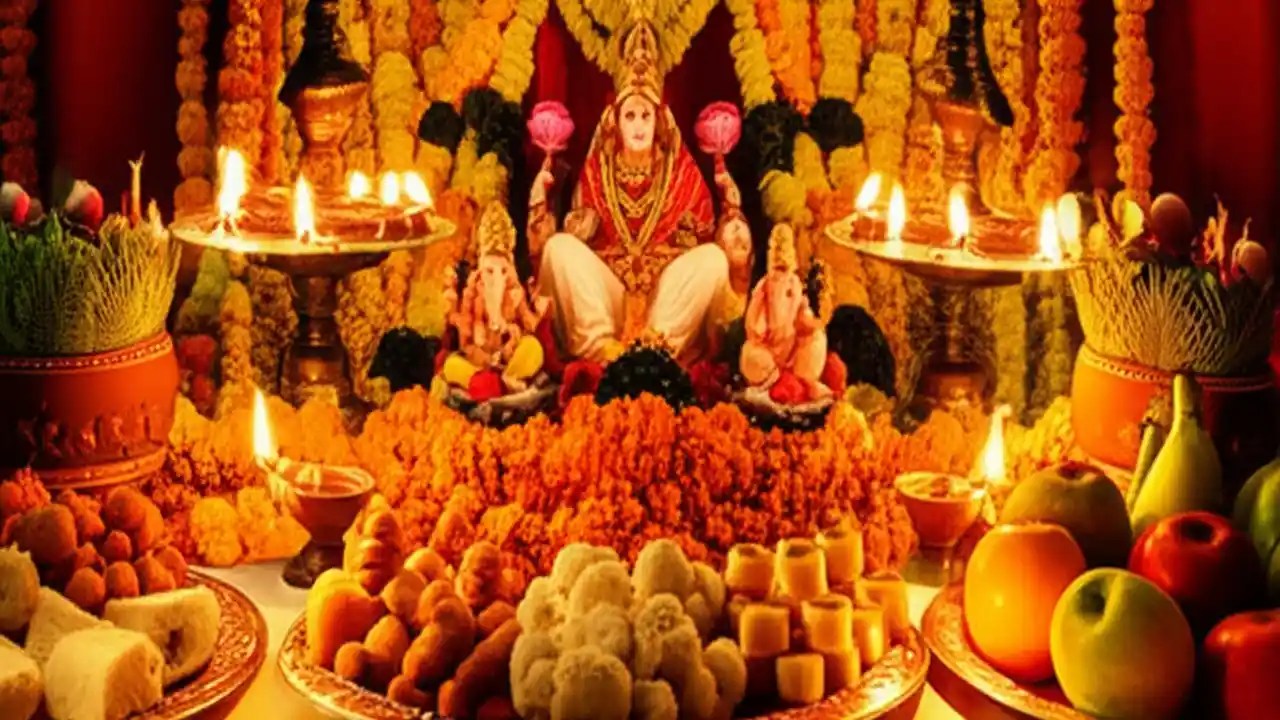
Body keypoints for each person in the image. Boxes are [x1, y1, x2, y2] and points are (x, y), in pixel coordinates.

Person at [528, 19, 748, 366]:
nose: (639, 125)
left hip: (664, 301)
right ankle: (602, 350)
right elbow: (579, 241)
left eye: (646, 116)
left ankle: (657, 350)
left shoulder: (680, 171)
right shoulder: (598, 171)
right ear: (615, 122)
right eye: (630, 116)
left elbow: (705, 237)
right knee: (559, 249)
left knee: (712, 260)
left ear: (659, 121)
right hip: (609, 297)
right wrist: (550, 212)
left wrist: (731, 214)